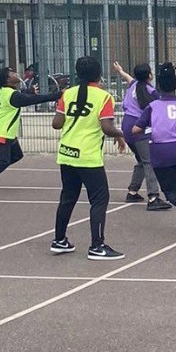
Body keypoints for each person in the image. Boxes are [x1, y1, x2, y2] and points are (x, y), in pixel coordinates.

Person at [50, 56, 127, 259]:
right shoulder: (103, 97)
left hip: (67, 153)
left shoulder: (67, 93)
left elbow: (56, 124)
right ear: (99, 74)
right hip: (88, 156)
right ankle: (97, 246)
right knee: (100, 199)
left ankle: (59, 240)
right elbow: (107, 128)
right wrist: (121, 135)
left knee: (67, 197)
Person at [0, 67, 62, 196]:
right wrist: (57, 95)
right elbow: (30, 100)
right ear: (8, 80)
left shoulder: (7, 91)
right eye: (13, 73)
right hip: (1, 132)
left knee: (17, 155)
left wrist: (29, 90)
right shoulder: (12, 95)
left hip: (7, 132)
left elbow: (21, 95)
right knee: (3, 161)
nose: (16, 74)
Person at [131, 62, 176, 235]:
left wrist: (153, 128)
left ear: (159, 86)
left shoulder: (153, 107)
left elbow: (136, 129)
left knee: (170, 191)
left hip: (161, 151)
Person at [112, 61, 165, 208]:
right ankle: (153, 197)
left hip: (126, 127)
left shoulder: (134, 85)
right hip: (139, 128)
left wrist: (120, 70)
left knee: (142, 160)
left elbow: (127, 77)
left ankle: (133, 192)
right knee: (149, 162)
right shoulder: (151, 92)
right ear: (149, 75)